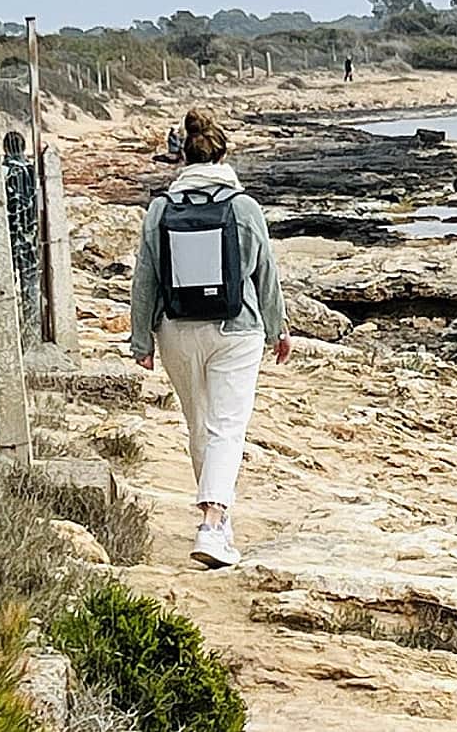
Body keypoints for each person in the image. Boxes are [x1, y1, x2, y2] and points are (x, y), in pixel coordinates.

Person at [131, 108, 291, 569]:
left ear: (181, 155)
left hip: (176, 330)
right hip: (235, 330)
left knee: (199, 426)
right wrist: (278, 328)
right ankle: (214, 523)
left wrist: (141, 340)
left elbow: (145, 279)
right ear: (223, 154)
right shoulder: (243, 207)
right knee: (227, 427)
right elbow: (267, 273)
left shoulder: (160, 208)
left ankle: (217, 522)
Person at [1, 131, 39, 329]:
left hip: (8, 233)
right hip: (30, 234)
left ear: (5, 148)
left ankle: (9, 324)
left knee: (6, 280)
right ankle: (32, 324)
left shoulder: (4, 171)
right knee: (30, 280)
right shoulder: (33, 170)